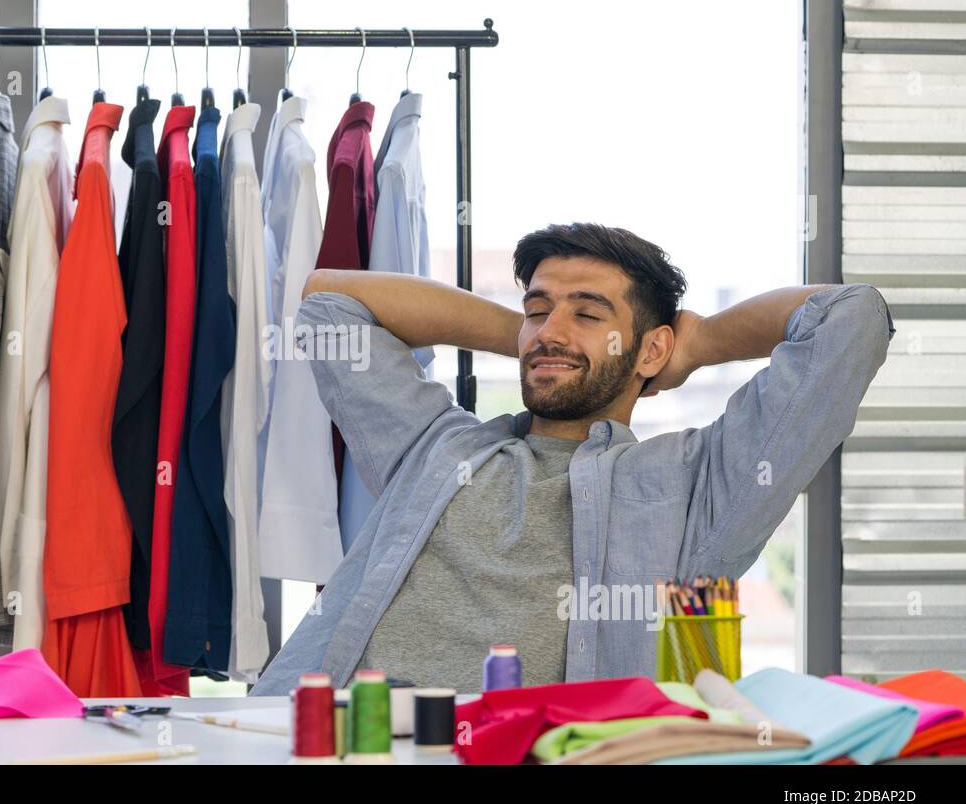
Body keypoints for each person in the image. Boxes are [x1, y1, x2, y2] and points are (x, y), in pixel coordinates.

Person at [251, 222, 895, 695]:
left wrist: (695, 344)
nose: (551, 327)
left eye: (589, 313)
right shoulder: (435, 444)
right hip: (321, 741)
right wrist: (541, 339)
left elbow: (851, 318)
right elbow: (329, 301)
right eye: (538, 308)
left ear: (650, 349)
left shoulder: (698, 488)